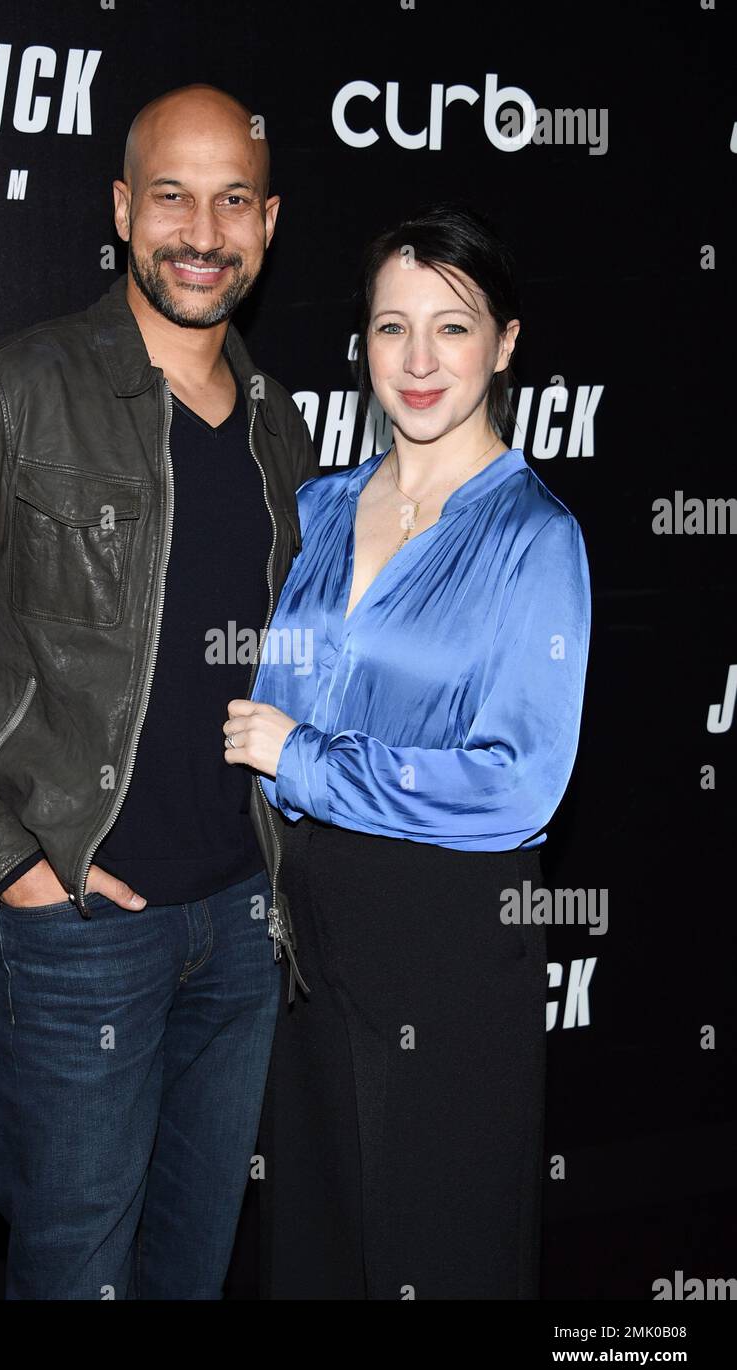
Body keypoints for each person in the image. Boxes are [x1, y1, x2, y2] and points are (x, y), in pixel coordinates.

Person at [0, 84, 319, 1300]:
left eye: (232, 199)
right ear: (120, 210)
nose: (201, 230)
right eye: (171, 195)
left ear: (267, 223)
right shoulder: (13, 388)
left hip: (243, 930)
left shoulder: (280, 430)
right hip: (81, 933)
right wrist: (14, 868)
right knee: (73, 1279)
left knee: (190, 1271)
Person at [222, 203, 592, 1299]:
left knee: (438, 1240)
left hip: (449, 931)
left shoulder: (537, 536)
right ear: (363, 346)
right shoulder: (323, 505)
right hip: (311, 928)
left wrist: (312, 762)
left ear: (507, 343)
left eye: (453, 326)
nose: (420, 360)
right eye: (392, 328)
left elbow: (520, 783)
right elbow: (272, 699)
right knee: (321, 1239)